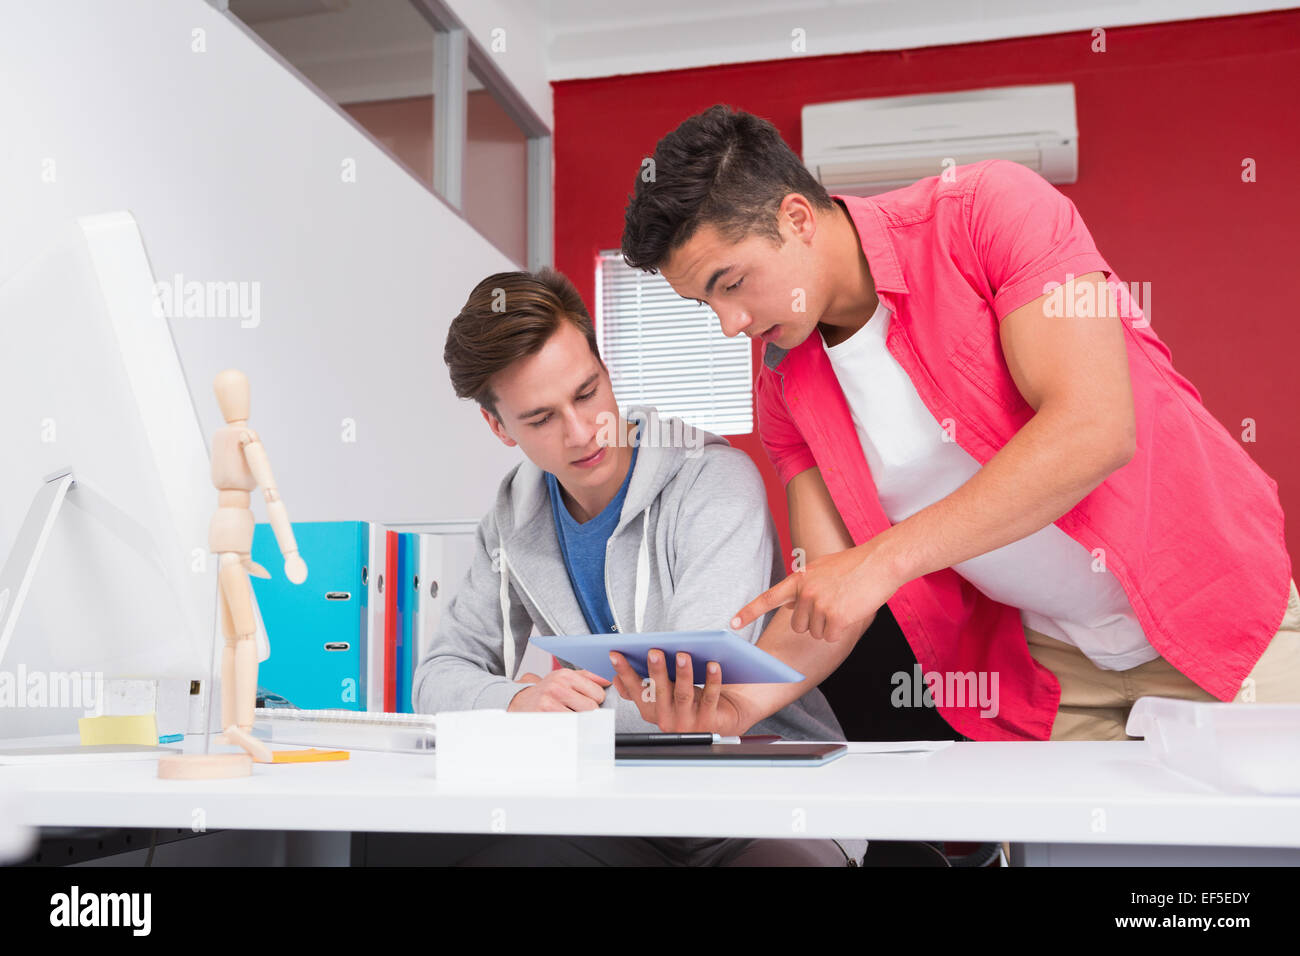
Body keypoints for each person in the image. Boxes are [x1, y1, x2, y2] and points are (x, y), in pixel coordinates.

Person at [613, 104, 1298, 743]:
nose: (731, 325)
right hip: (1058, 673)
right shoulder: (786, 385)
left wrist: (879, 564)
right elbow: (831, 592)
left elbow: (1093, 427)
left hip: (1214, 614)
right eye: (706, 305)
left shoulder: (988, 212)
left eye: (730, 284)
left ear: (796, 218)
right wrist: (743, 700)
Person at [412, 266, 861, 866]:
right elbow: (436, 677)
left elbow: (697, 697)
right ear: (498, 426)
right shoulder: (511, 517)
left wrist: (557, 716)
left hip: (767, 800)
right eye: (541, 419)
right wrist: (519, 704)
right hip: (622, 806)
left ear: (607, 370)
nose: (582, 432)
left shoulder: (714, 481)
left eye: (587, 392)